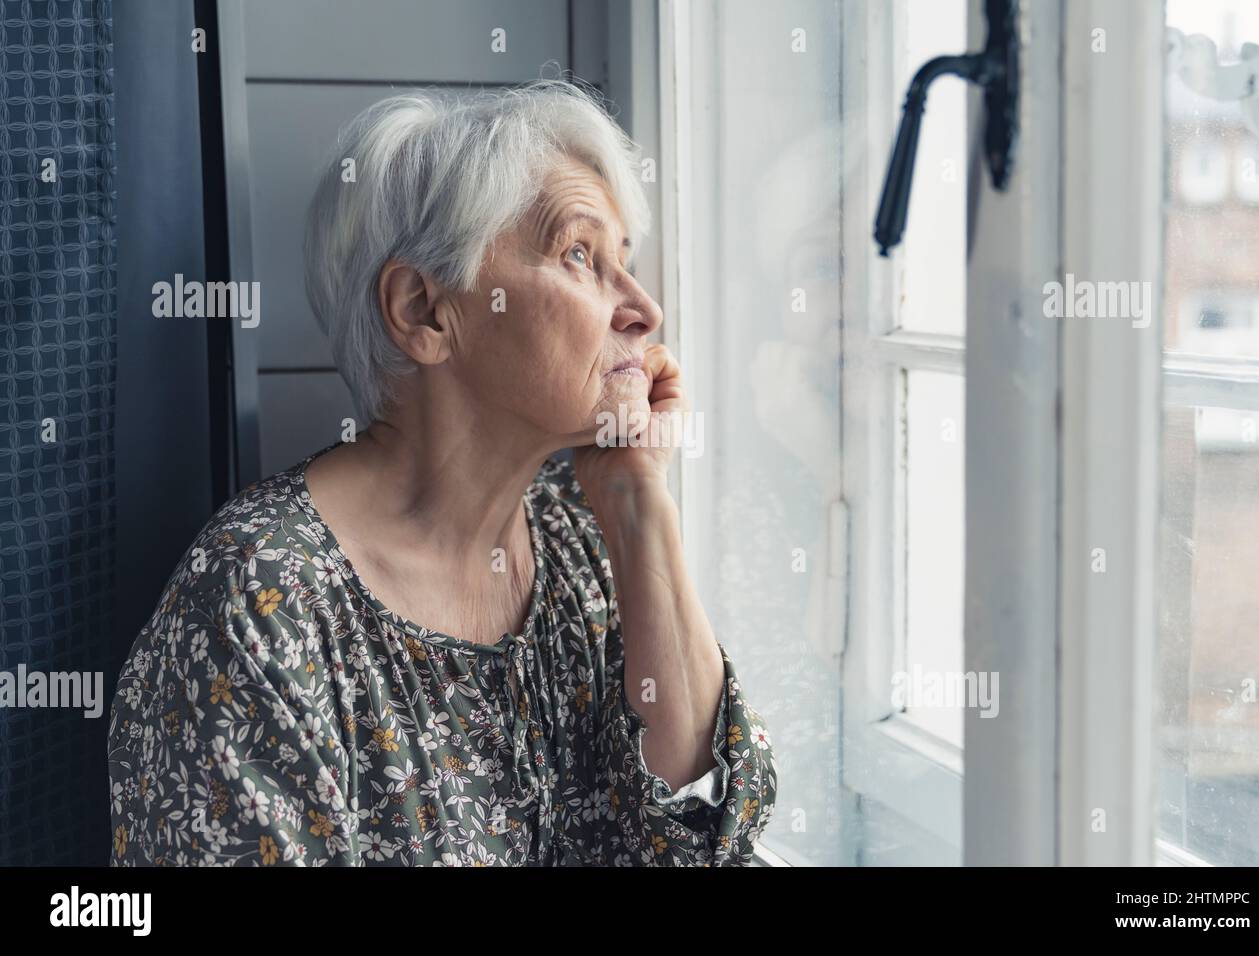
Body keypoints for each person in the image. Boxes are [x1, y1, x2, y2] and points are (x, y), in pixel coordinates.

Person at [106, 79, 777, 866]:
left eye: (623, 261)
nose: (642, 309)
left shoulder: (579, 528)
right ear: (425, 312)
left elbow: (707, 836)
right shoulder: (260, 603)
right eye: (578, 254)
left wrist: (639, 502)